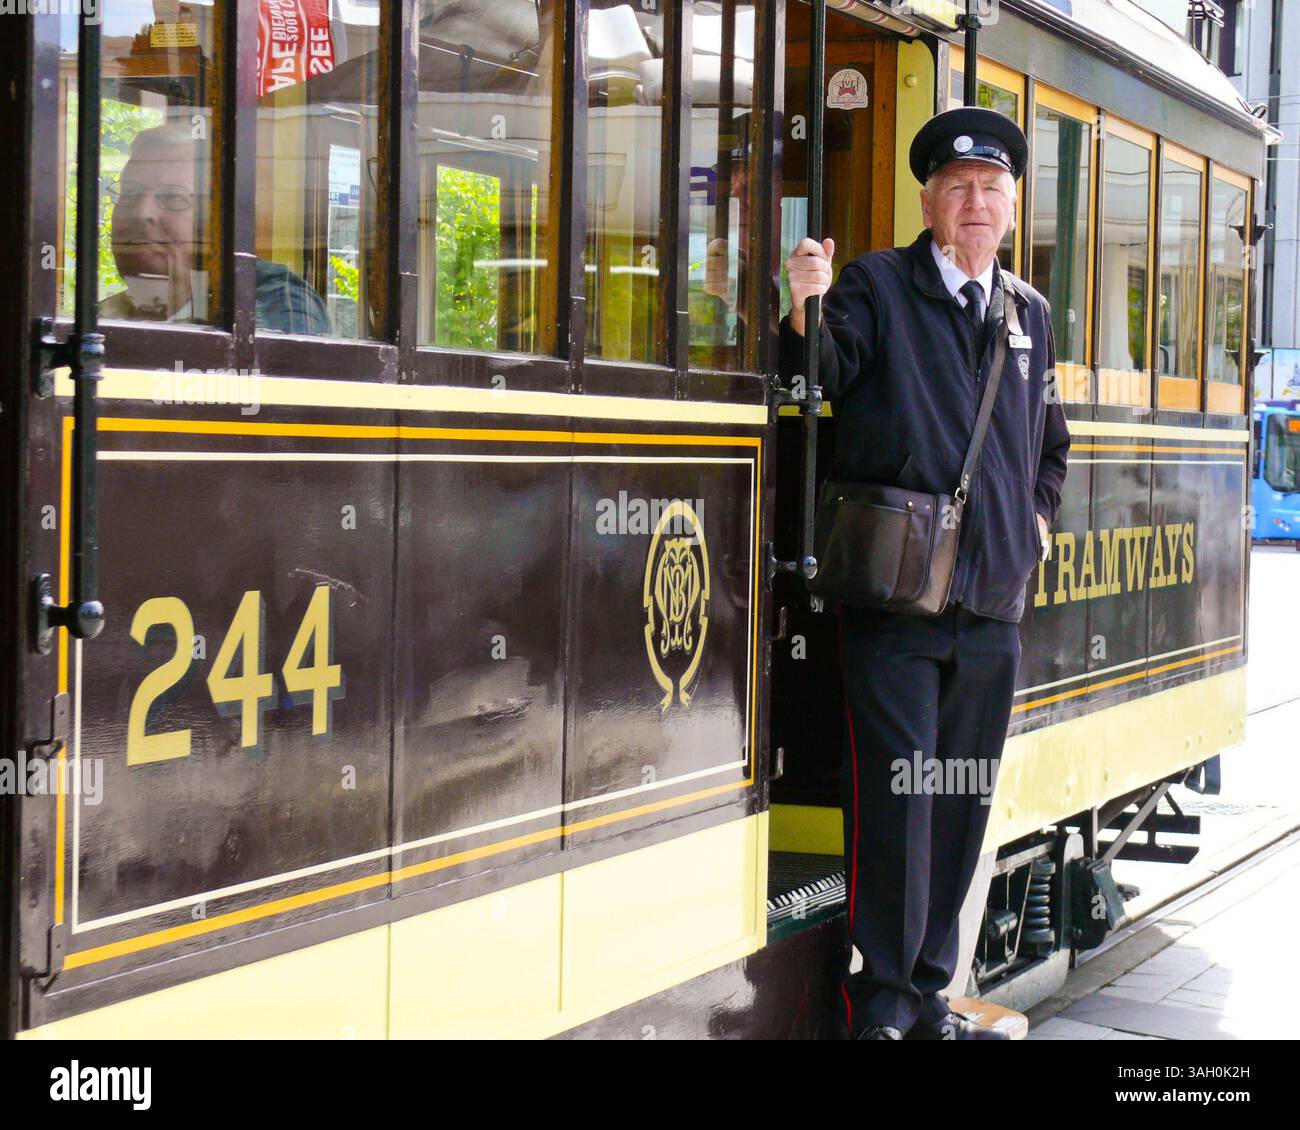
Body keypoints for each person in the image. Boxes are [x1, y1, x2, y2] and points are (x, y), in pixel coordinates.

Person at [781, 106, 1071, 1041]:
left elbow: (1051, 447)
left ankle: (933, 993)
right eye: (958, 188)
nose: (976, 202)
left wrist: (1032, 520)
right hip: (899, 602)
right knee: (899, 795)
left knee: (957, 801)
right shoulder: (875, 286)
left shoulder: (1026, 313)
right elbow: (818, 376)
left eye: (992, 189)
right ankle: (884, 1004)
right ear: (929, 201)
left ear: (1012, 206)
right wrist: (804, 306)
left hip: (990, 605)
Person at [103, 122, 332, 335]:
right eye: (130, 192)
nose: (141, 213)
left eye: (173, 197)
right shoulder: (100, 320)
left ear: (219, 219)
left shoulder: (274, 304)